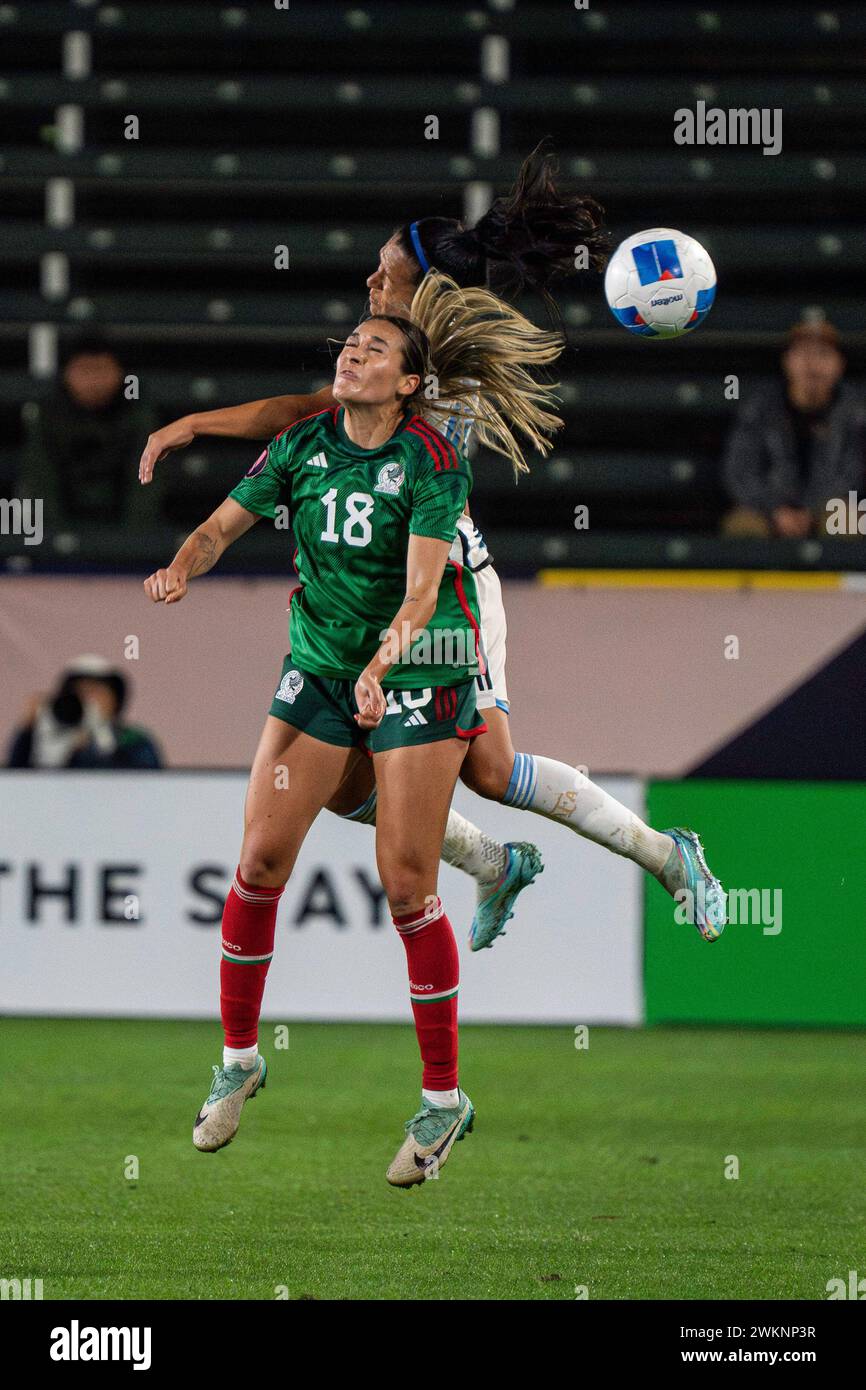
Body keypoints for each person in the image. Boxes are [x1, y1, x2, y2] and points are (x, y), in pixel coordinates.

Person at [139, 145, 726, 946]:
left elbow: (299, 414)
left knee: (490, 769)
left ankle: (665, 854)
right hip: (374, 593)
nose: (371, 284)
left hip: (443, 585)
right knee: (343, 784)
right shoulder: (387, 354)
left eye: (386, 274)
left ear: (428, 290)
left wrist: (194, 423)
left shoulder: (432, 371)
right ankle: (494, 861)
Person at [144, 311, 496, 1185]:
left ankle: (445, 1102)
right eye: (349, 342)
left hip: (422, 663)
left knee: (406, 883)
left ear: (410, 384)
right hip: (322, 666)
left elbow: (421, 594)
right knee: (260, 858)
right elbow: (221, 526)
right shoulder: (303, 444)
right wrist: (184, 563)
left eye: (376, 348)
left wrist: (385, 662)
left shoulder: (429, 460)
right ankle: (238, 1059)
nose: (353, 352)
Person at [722, 319, 866, 539]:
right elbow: (739, 470)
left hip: (832, 506)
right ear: (787, 360)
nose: (812, 365)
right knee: (743, 527)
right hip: (768, 507)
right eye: (803, 354)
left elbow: (855, 473)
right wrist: (775, 508)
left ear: (840, 364)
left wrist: (813, 510)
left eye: (823, 354)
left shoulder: (856, 409)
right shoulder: (761, 405)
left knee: (846, 523)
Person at [19, 335, 163, 533]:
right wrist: (56, 540)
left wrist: (130, 542)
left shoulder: (139, 414)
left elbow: (146, 490)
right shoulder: (48, 415)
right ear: (67, 373)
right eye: (85, 370)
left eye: (101, 370)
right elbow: (39, 480)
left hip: (127, 540)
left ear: (119, 372)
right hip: (58, 539)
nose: (93, 381)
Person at [6, 653, 162, 769]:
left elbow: (144, 784)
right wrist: (27, 730)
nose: (87, 699)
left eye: (96, 692)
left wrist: (89, 750)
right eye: (80, 692)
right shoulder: (48, 735)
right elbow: (17, 777)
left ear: (115, 700)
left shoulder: (135, 740)